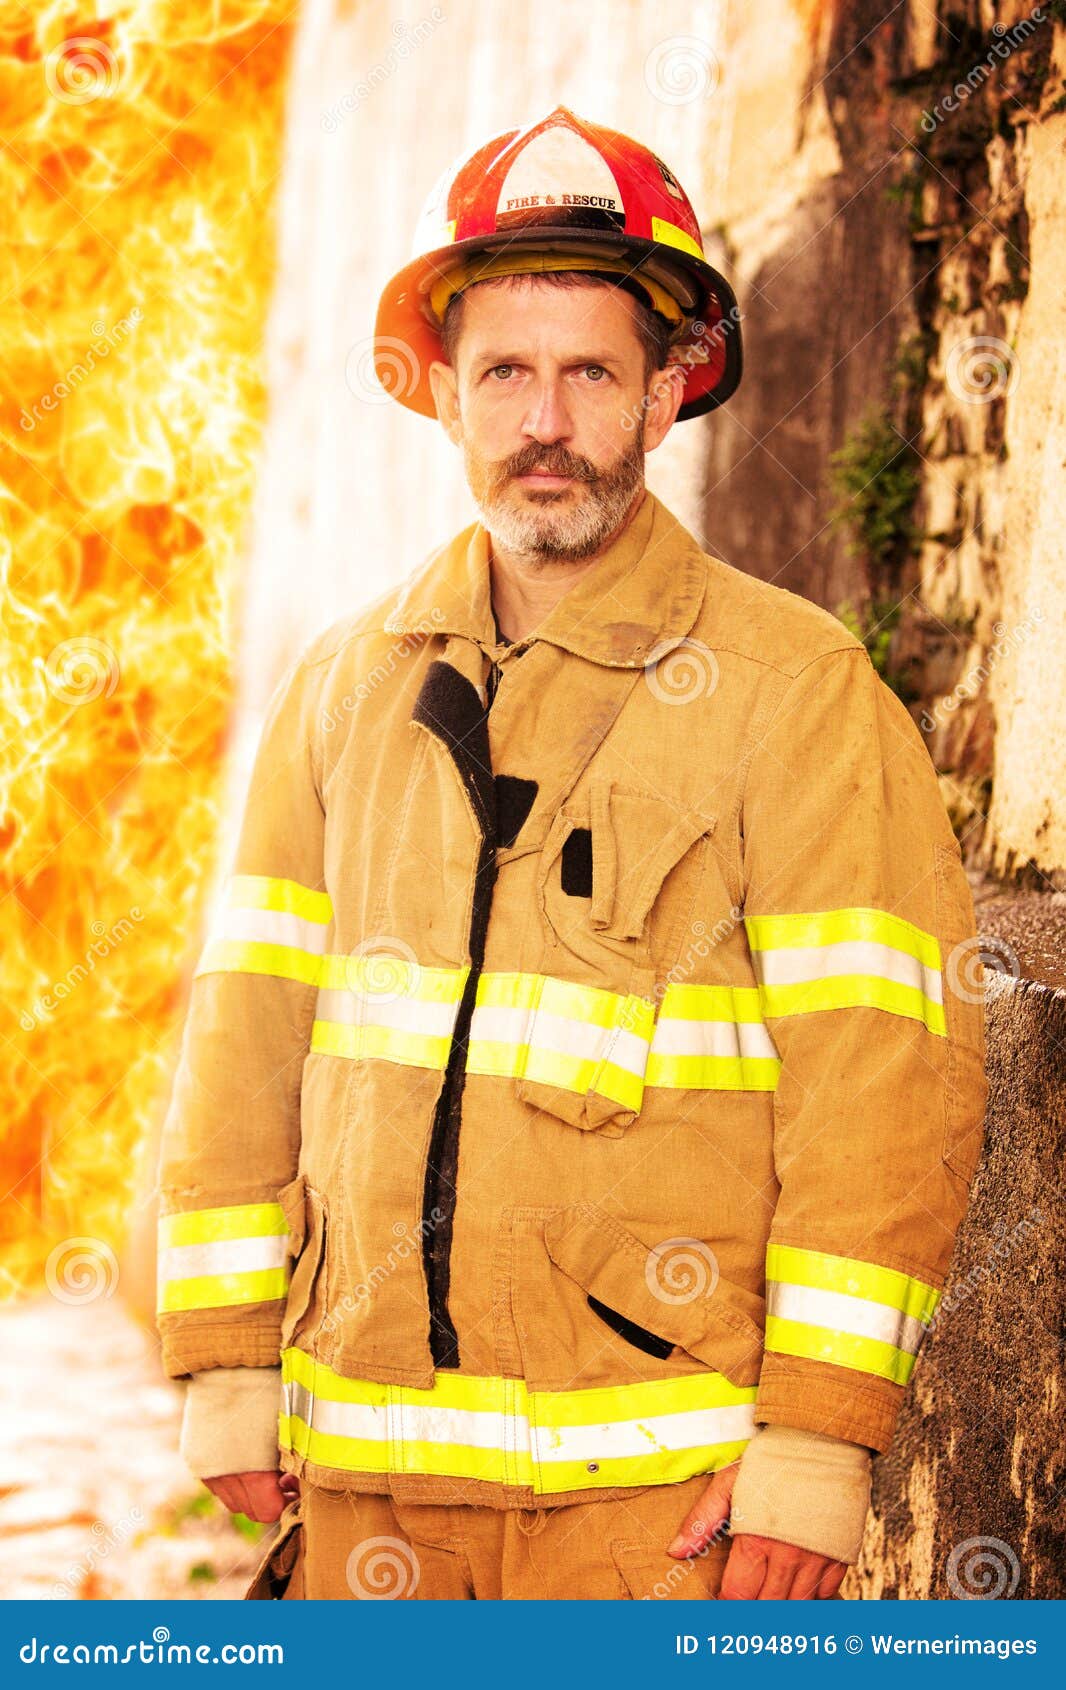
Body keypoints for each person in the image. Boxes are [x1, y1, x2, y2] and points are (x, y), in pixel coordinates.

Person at [156, 107, 988, 1601]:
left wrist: (814, 1438)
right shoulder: (347, 687)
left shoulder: (793, 689)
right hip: (367, 1482)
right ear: (445, 396)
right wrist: (222, 1354)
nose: (544, 420)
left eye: (589, 373)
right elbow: (245, 1034)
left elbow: (883, 1079)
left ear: (665, 394)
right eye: (505, 374)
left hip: (655, 1509)